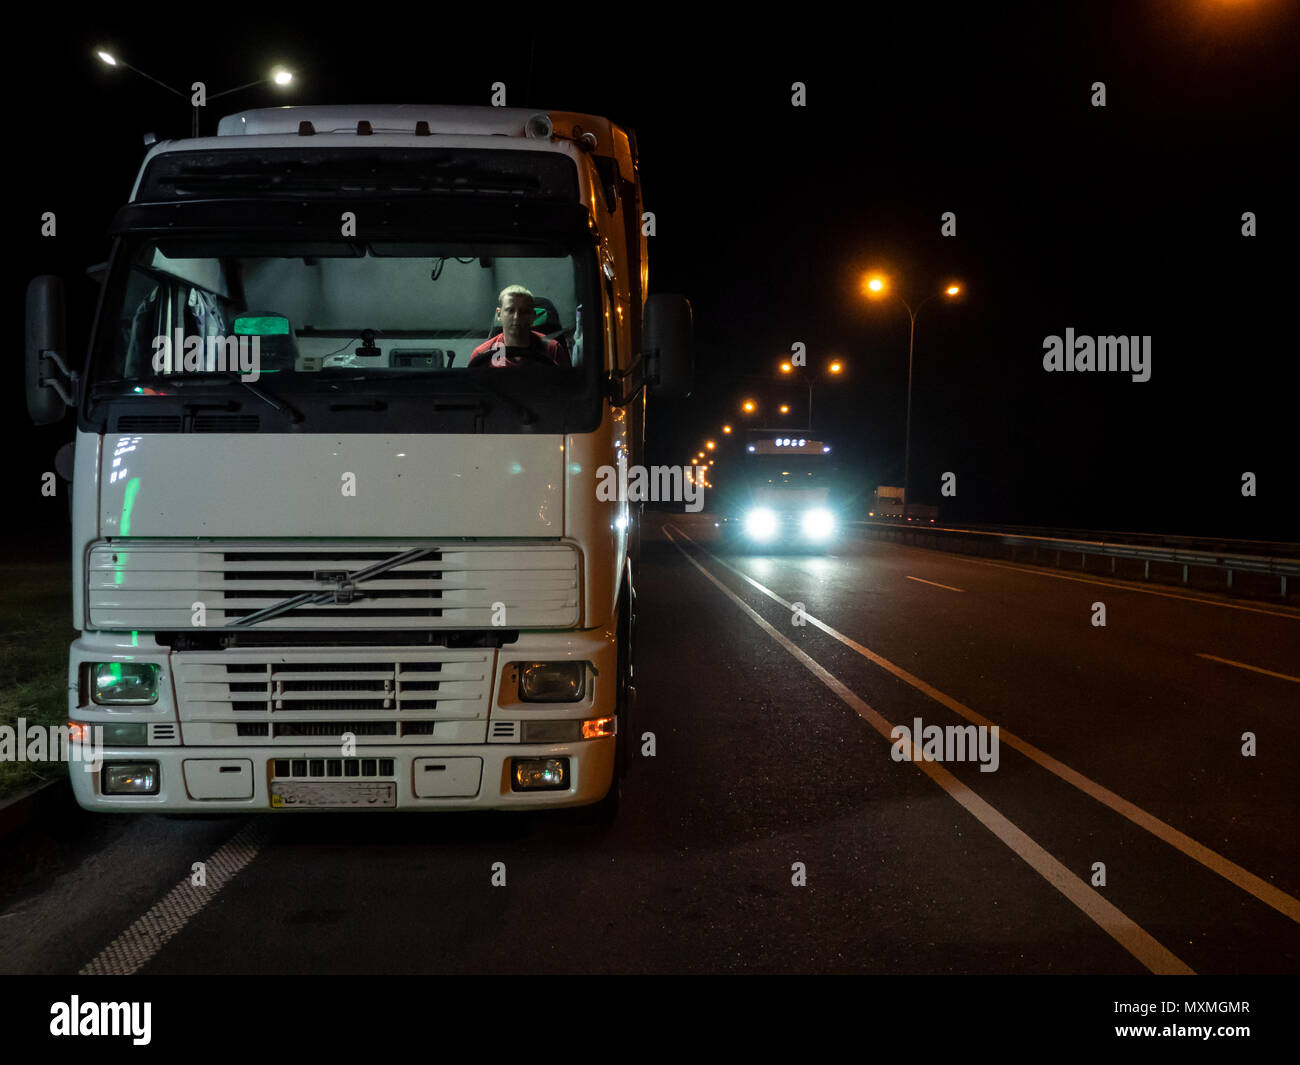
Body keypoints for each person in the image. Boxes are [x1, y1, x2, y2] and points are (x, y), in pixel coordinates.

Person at [469, 285, 569, 367]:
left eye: (524, 311)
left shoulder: (552, 349)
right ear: (499, 315)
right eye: (510, 311)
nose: (516, 317)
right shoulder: (482, 354)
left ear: (533, 316)